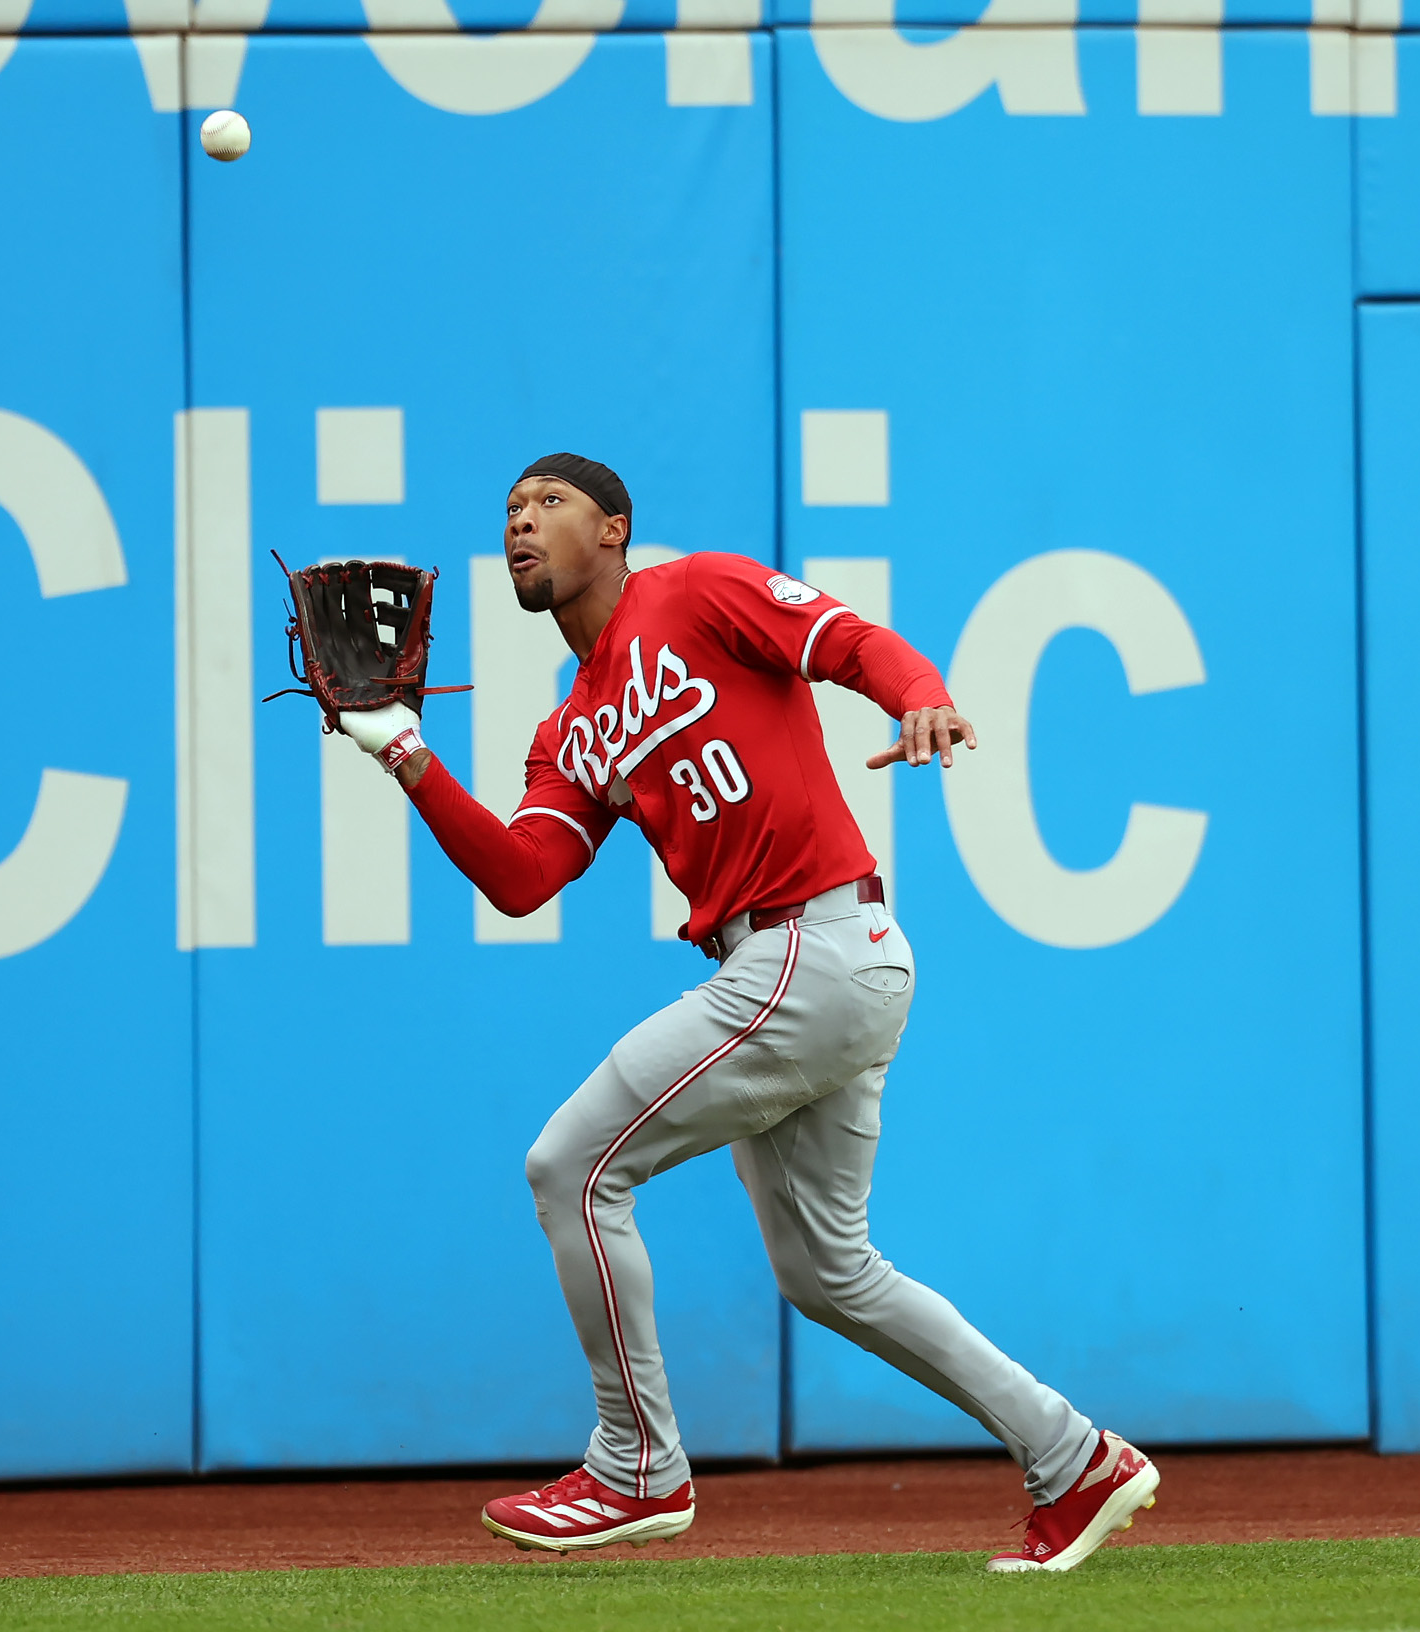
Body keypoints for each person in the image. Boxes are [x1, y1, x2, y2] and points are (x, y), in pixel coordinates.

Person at [338, 453, 1159, 1573]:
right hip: (809, 968)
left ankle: (635, 1466)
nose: (521, 524)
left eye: (549, 505)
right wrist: (407, 756)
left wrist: (920, 695)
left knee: (570, 1166)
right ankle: (1075, 1459)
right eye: (510, 512)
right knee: (829, 1272)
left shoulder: (696, 592)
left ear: (615, 529)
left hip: (810, 948)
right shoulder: (572, 722)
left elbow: (852, 643)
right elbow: (525, 876)